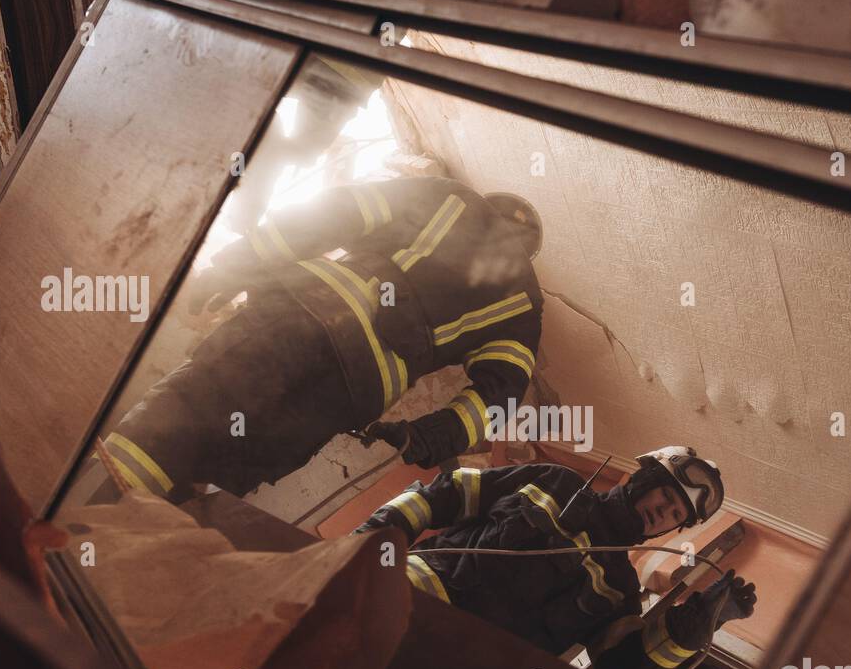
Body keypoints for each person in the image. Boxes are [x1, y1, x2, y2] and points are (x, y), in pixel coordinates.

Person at [96, 175, 543, 502]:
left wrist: (244, 261)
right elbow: (500, 395)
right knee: (243, 459)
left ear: (492, 203)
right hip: (352, 393)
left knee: (191, 405)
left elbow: (339, 212)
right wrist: (426, 437)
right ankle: (131, 558)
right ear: (529, 252)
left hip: (302, 319)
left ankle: (74, 517)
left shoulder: (450, 197)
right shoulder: (525, 305)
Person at [356, 446, 757, 669]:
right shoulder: (554, 482)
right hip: (407, 597)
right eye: (666, 496)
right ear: (645, 479)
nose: (662, 513)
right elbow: (441, 495)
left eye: (674, 515)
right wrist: (362, 546)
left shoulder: (621, 591)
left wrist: (695, 629)